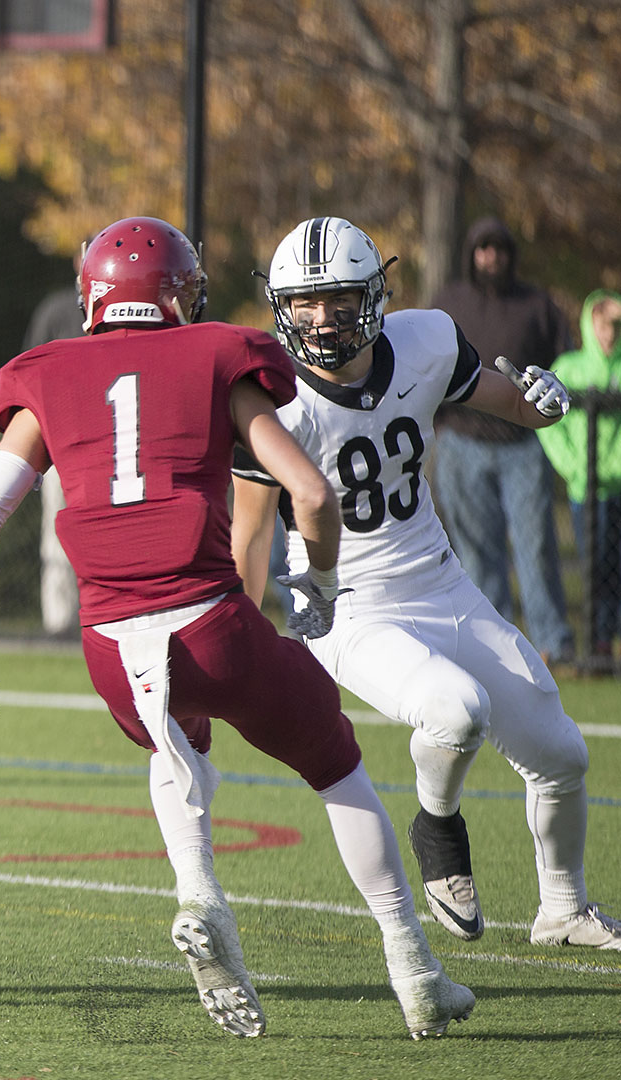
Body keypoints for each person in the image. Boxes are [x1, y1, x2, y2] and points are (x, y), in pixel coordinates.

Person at [0, 216, 473, 1039]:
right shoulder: (219, 351)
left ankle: (200, 895)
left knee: (173, 739)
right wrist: (322, 587)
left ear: (93, 300)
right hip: (211, 624)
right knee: (335, 763)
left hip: (111, 646)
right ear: (178, 295)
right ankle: (414, 967)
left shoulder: (45, 370)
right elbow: (314, 496)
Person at [232, 215, 617, 954]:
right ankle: (438, 826)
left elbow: (507, 404)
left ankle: (563, 909)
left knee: (562, 754)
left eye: (339, 299)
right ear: (279, 307)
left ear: (374, 294)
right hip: (345, 605)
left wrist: (543, 402)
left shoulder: (427, 339)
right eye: (305, 303)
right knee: (457, 711)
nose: (321, 319)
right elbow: (248, 535)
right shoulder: (272, 397)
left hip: (441, 584)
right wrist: (244, 644)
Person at [431, 217, 575, 665]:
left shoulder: (536, 304)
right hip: (462, 443)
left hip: (523, 446)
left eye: (499, 248)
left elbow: (565, 363)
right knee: (478, 549)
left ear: (511, 254)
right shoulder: (450, 302)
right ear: (471, 254)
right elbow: (429, 365)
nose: (491, 257)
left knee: (535, 545)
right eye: (482, 248)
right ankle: (492, 642)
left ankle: (555, 643)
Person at [537, 290, 621, 671]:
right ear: (591, 324)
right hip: (582, 490)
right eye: (604, 325)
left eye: (616, 327)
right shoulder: (569, 369)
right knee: (592, 567)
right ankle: (592, 645)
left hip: (618, 489)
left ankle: (607, 643)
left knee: (615, 567)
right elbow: (548, 425)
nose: (609, 334)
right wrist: (573, 465)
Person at [21, 249, 87, 637]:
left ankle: (103, 617)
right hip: (63, 446)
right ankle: (58, 623)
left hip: (114, 448)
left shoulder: (129, 315)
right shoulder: (58, 310)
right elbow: (28, 371)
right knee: (57, 535)